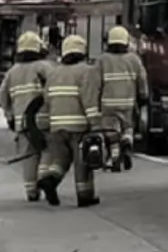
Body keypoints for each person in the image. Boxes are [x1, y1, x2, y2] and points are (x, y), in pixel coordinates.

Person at [38, 35, 103, 207]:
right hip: (78, 125)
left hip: (57, 125)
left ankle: (50, 180)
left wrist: (44, 125)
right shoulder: (86, 71)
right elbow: (89, 99)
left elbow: (46, 100)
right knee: (83, 161)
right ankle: (85, 195)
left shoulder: (54, 73)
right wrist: (95, 124)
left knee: (61, 159)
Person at [0, 31, 49, 201]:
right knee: (48, 151)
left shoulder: (12, 72)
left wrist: (10, 114)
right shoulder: (46, 67)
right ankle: (45, 180)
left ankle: (31, 190)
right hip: (46, 120)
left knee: (29, 156)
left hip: (24, 123)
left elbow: (3, 96)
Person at [98, 25, 149, 171]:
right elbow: (142, 80)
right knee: (128, 127)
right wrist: (143, 97)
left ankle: (115, 157)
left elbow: (95, 83)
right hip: (128, 103)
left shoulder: (103, 60)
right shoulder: (134, 59)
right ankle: (127, 143)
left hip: (108, 104)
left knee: (111, 132)